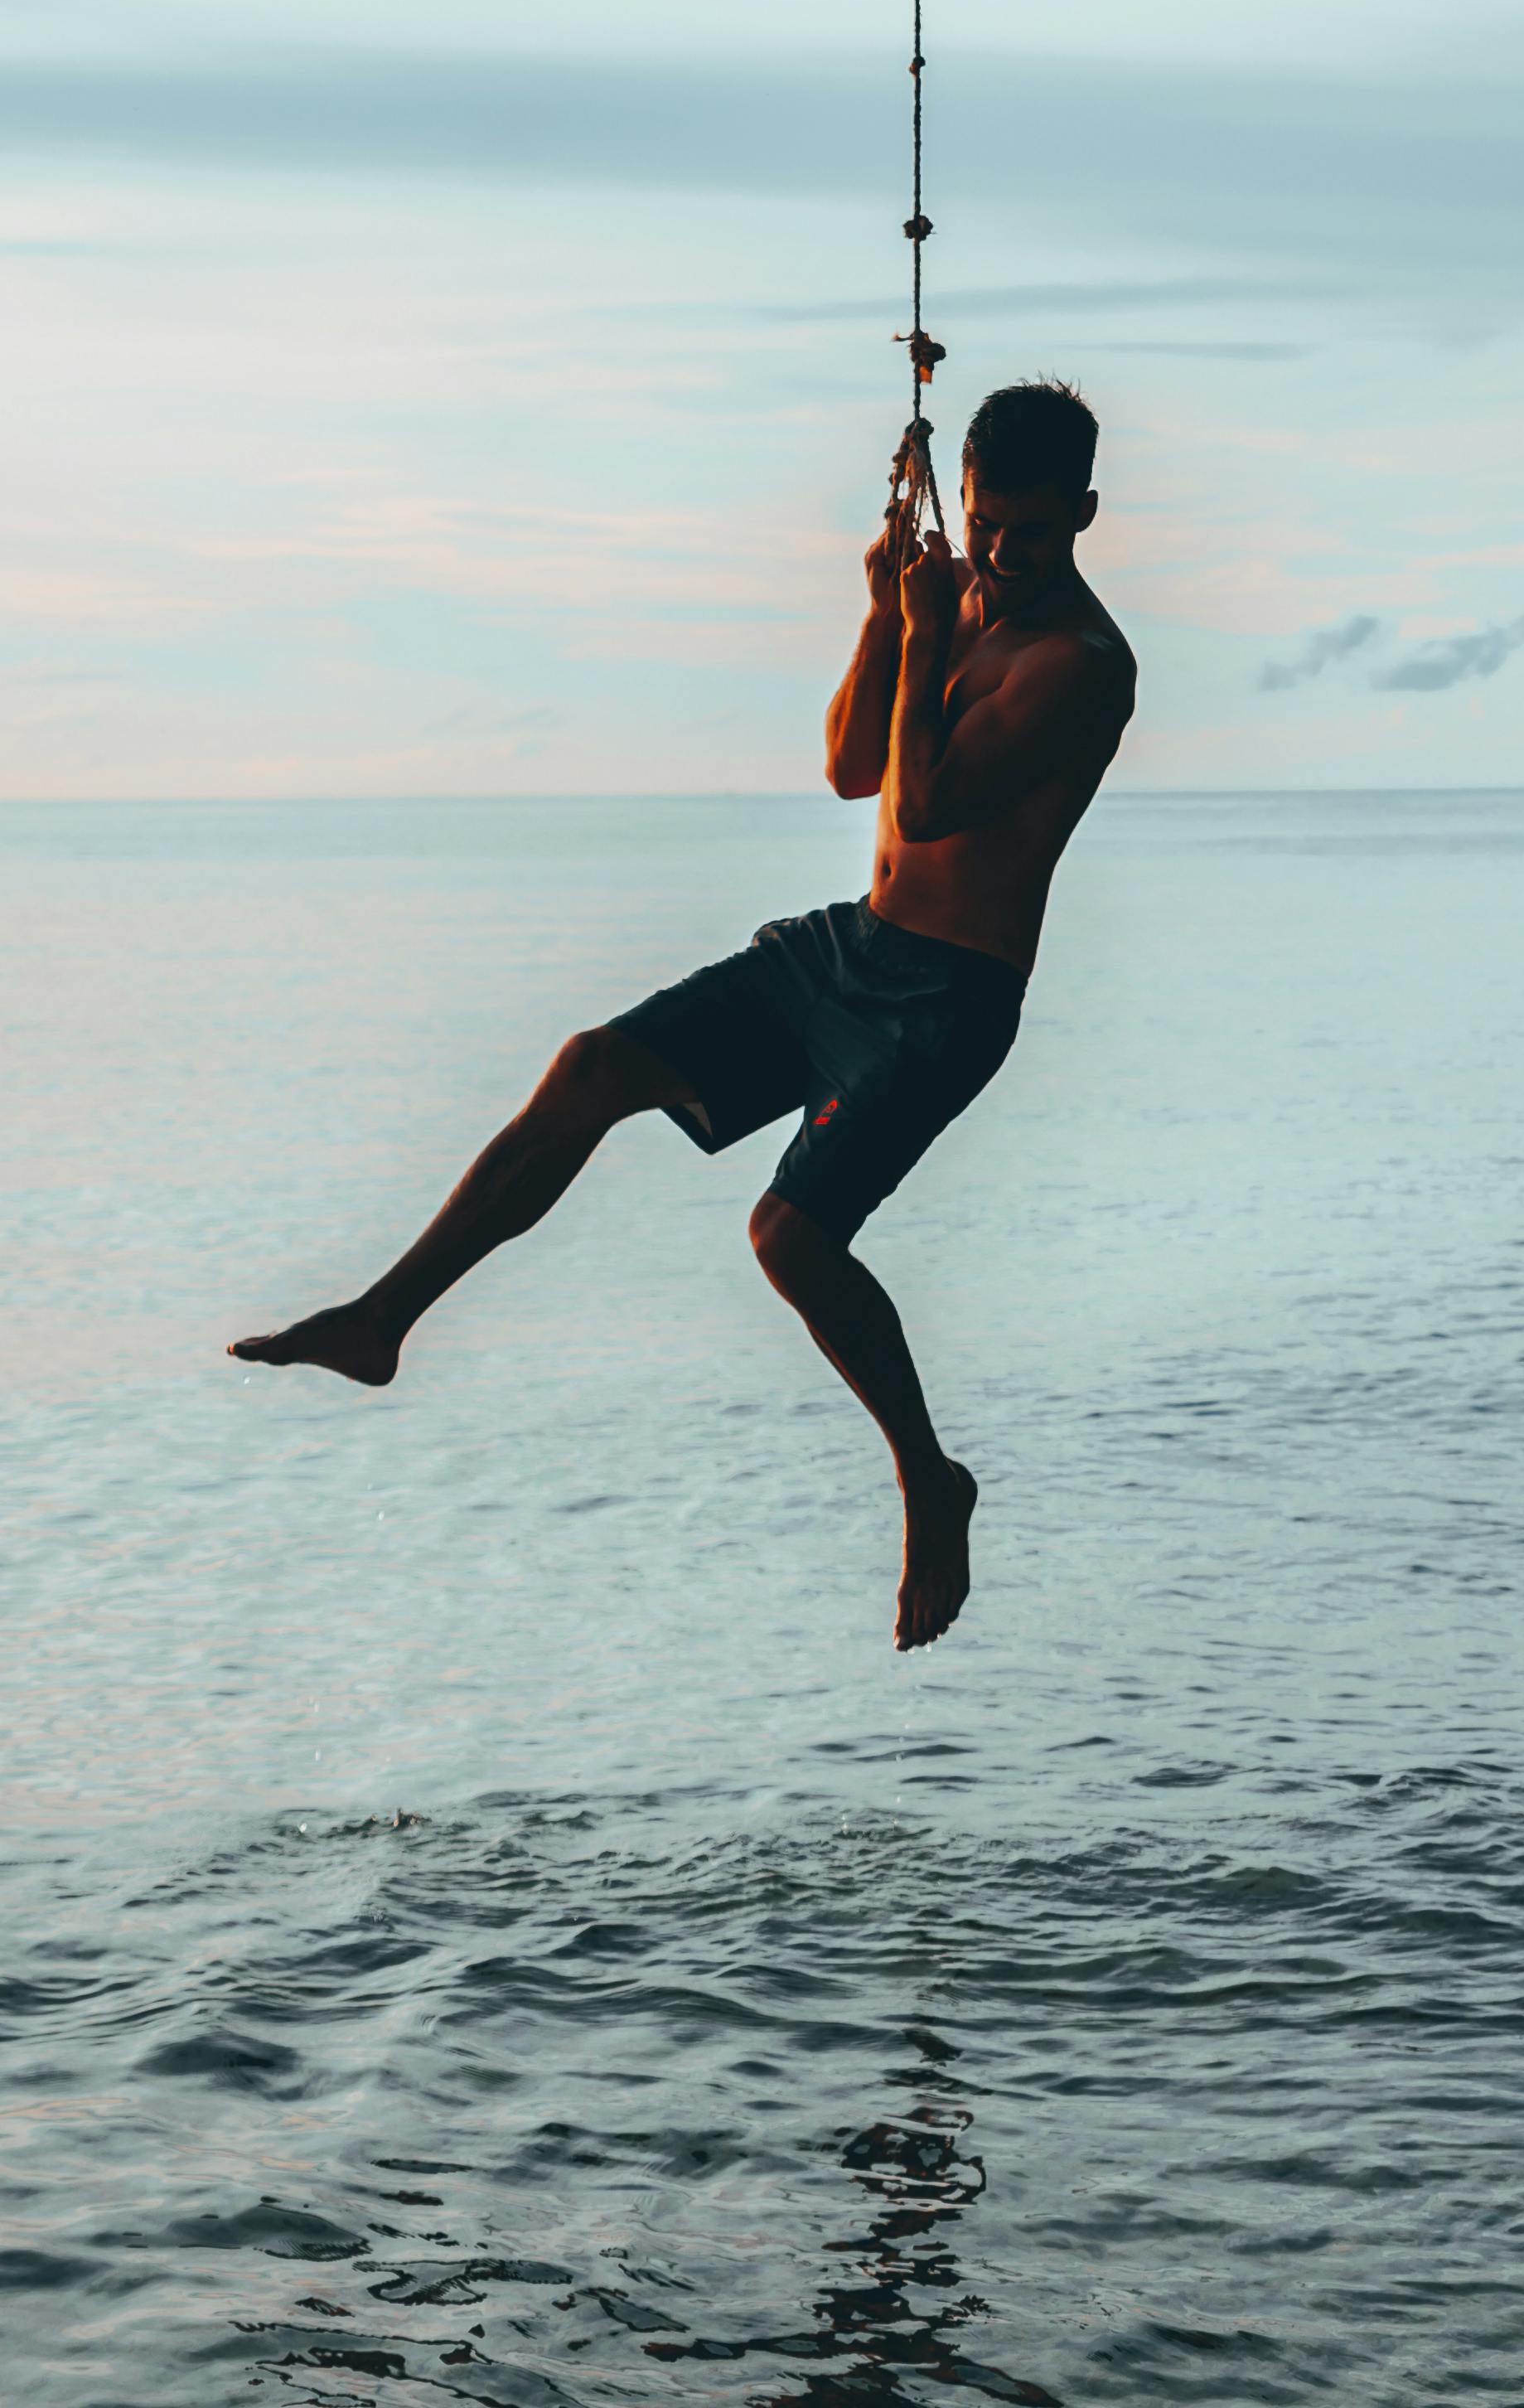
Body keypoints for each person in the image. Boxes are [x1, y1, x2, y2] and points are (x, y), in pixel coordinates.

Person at [230, 379, 1138, 1648]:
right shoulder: (962, 600)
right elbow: (850, 768)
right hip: (853, 945)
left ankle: (931, 1481)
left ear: (1087, 515)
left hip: (945, 1000)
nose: (1000, 551)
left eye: (1030, 532)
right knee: (596, 1065)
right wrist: (887, 610)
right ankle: (385, 1319)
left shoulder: (1080, 665)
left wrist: (929, 627)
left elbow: (929, 807)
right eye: (985, 523)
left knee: (788, 1239)